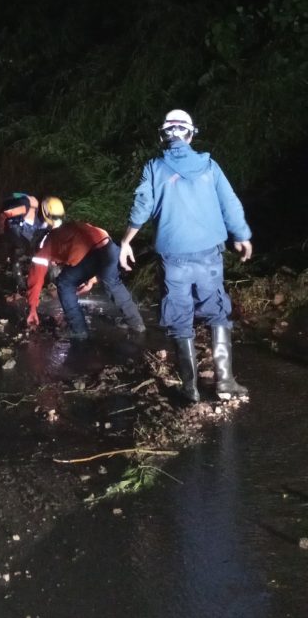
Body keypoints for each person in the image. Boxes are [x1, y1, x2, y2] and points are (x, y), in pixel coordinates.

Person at [119, 110, 252, 403]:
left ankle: (190, 389)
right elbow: (229, 202)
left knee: (179, 316)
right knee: (217, 310)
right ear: (191, 134)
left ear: (164, 136)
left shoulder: (154, 167)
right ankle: (225, 383)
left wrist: (127, 240)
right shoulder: (209, 166)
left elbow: (142, 207)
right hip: (209, 255)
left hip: (173, 257)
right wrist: (241, 235)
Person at [25, 196, 145, 336]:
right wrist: (92, 279)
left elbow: (36, 278)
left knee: (64, 283)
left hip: (90, 255)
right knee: (114, 284)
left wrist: (32, 308)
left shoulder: (47, 241)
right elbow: (99, 246)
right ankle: (136, 323)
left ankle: (78, 330)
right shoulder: (78, 225)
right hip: (110, 248)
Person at [0, 192, 46, 289]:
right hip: (16, 232)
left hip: (27, 233)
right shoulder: (24, 208)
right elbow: (4, 215)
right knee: (15, 254)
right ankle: (19, 283)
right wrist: (2, 231)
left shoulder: (40, 217)